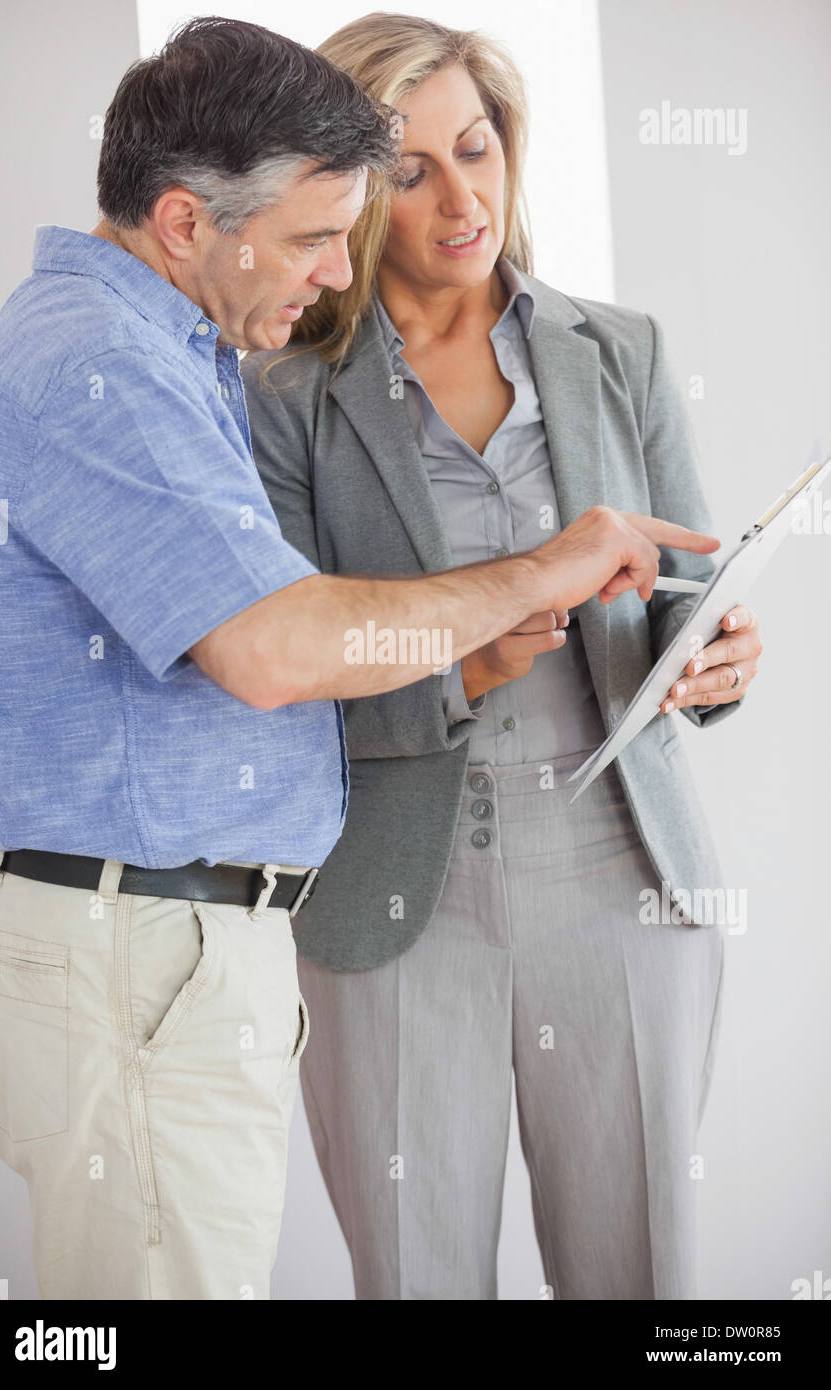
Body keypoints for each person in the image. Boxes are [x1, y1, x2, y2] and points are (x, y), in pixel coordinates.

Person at [0, 16, 716, 1301]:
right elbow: (271, 645)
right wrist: (528, 582)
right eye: (318, 234)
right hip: (157, 944)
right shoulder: (112, 365)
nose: (334, 264)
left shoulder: (175, 349)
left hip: (186, 942)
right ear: (187, 220)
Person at [241, 12, 764, 1300]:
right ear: (352, 192)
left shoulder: (618, 349)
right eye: (407, 171)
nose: (458, 197)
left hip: (620, 880)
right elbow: (273, 676)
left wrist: (720, 662)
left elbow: (684, 589)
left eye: (474, 148)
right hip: (398, 898)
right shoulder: (285, 399)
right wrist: (458, 669)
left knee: (642, 1279)